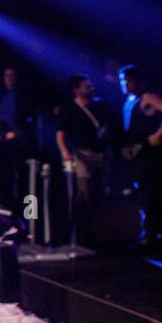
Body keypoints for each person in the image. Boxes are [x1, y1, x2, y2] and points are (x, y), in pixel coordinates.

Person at [118, 64, 162, 249]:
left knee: (147, 193)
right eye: (122, 81)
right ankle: (155, 232)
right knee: (143, 193)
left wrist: (157, 135)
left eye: (127, 80)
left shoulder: (147, 97)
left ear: (136, 81)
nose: (124, 84)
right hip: (135, 151)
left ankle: (152, 234)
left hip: (147, 152)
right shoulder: (129, 100)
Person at [56, 74, 109, 247]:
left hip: (100, 153)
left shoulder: (99, 106)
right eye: (86, 86)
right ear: (76, 90)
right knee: (84, 193)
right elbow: (60, 133)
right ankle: (80, 232)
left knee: (99, 195)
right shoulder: (68, 109)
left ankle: (94, 231)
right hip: (81, 154)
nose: (90, 88)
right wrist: (65, 152)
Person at [0, 66, 37, 138]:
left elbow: (31, 114)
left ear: (16, 77)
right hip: (4, 134)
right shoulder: (0, 95)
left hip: (18, 135)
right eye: (6, 75)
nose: (9, 78)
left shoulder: (23, 95)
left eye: (11, 75)